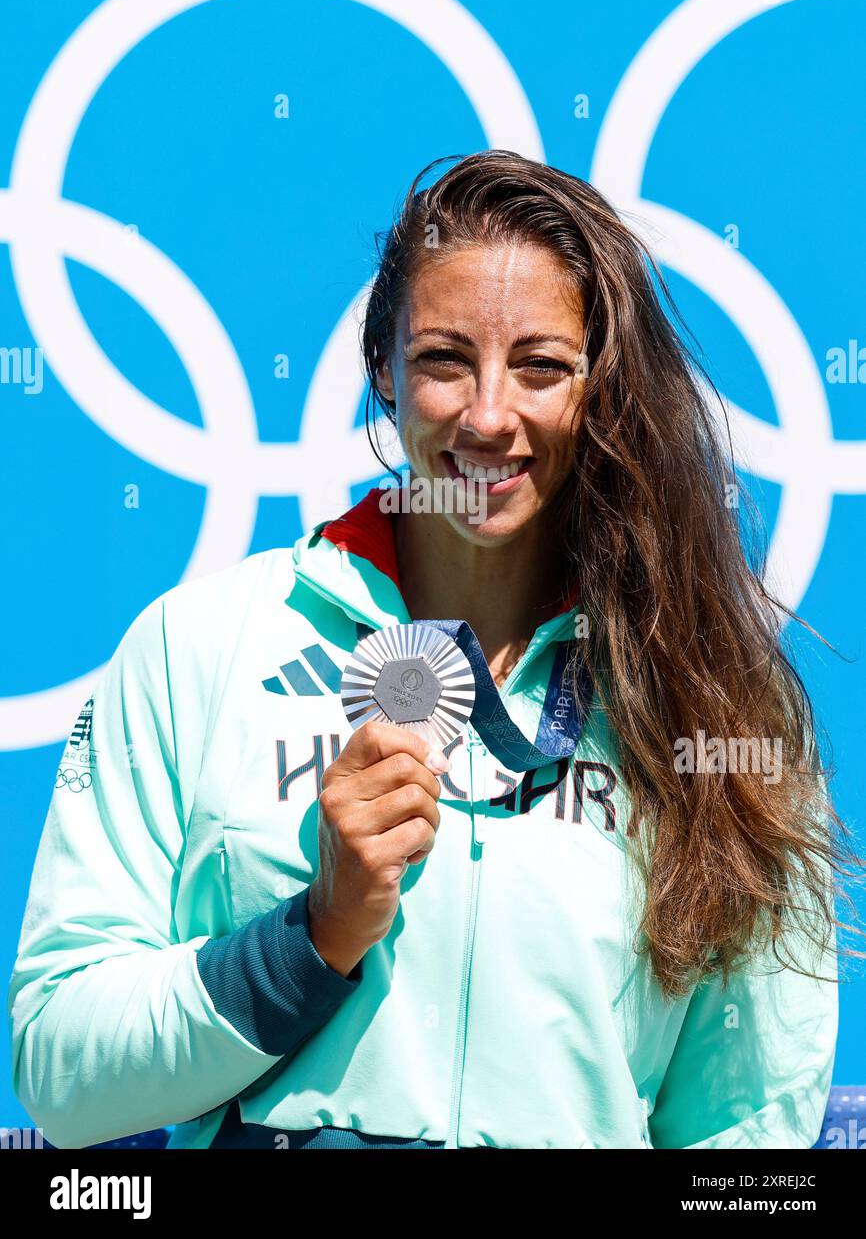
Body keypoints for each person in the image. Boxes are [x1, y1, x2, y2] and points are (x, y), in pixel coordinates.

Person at [7, 150, 857, 1150]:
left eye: (540, 365)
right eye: (444, 360)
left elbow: (743, 1133)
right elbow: (61, 1072)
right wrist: (314, 932)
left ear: (603, 389)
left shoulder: (713, 704)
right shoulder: (196, 647)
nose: (489, 414)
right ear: (383, 373)